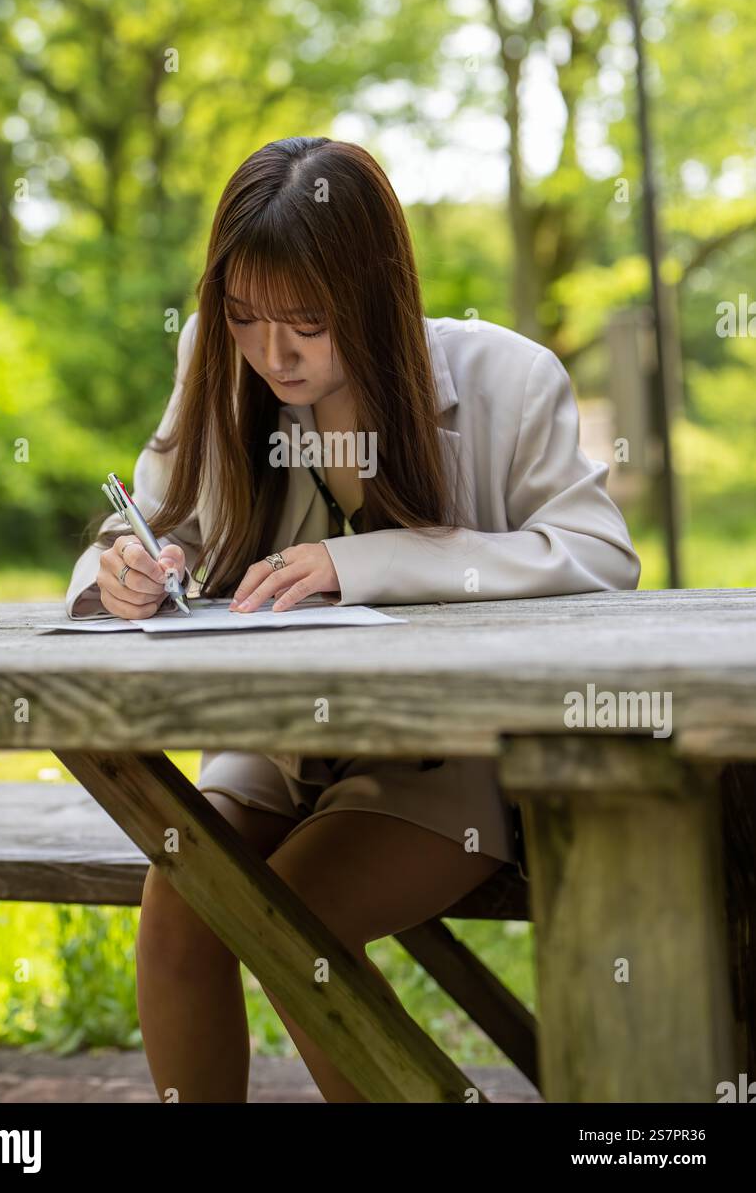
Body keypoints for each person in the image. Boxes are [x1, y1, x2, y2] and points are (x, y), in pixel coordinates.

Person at [64, 135, 641, 1102]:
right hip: (277, 741)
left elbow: (601, 558)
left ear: (373, 290)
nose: (272, 354)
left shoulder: (508, 378)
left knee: (294, 918)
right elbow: (159, 522)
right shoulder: (216, 354)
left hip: (445, 760)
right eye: (245, 316)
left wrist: (360, 563)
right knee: (178, 907)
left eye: (307, 322)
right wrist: (119, 573)